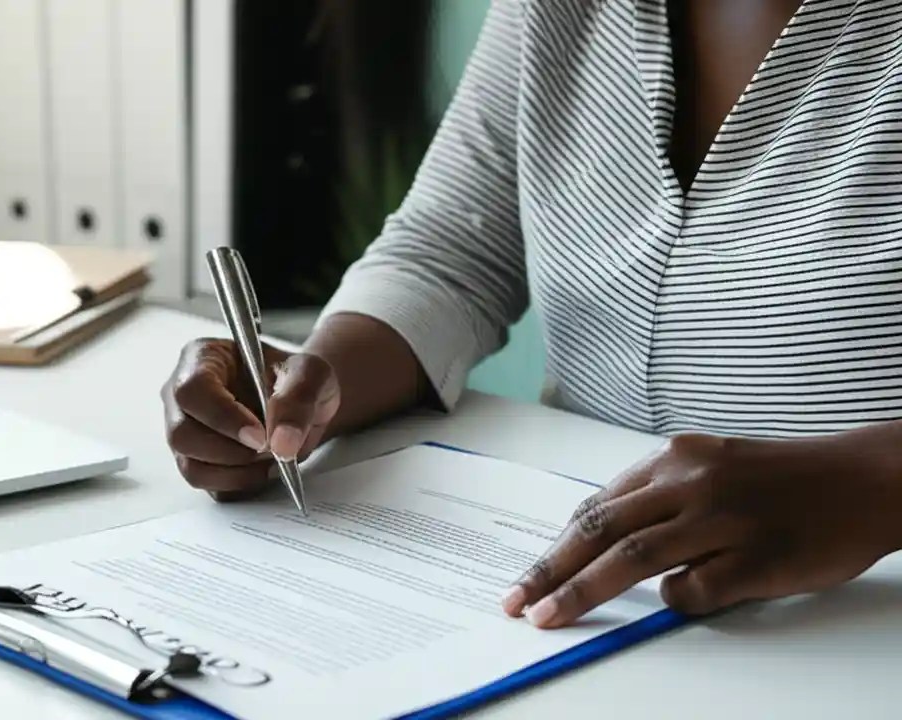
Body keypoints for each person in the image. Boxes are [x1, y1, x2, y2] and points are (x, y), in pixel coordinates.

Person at [162, 0, 902, 629]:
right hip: (597, 609)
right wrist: (308, 388)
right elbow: (447, 253)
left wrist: (873, 485)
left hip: (848, 627)